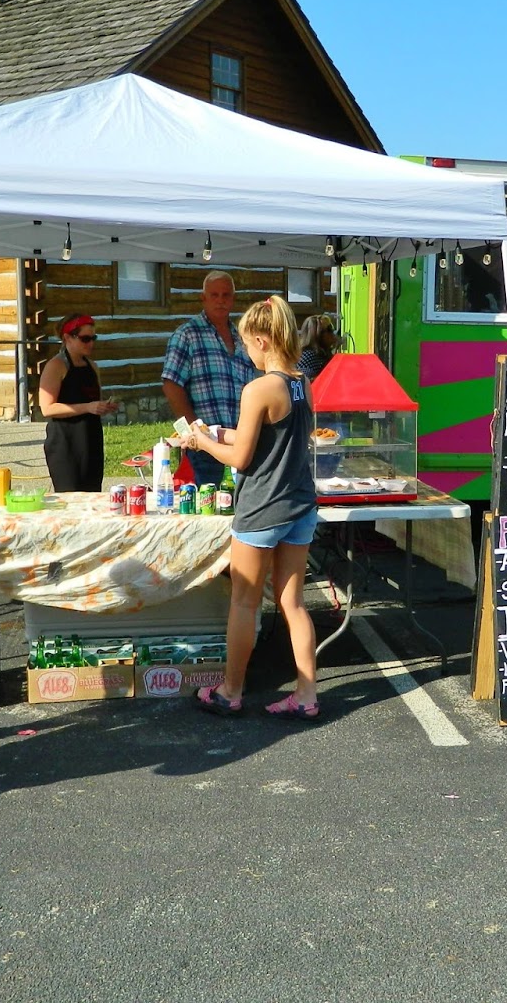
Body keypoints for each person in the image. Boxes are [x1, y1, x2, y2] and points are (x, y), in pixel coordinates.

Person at [183, 296, 321, 721]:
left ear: (262, 340)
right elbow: (270, 441)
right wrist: (226, 434)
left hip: (262, 508)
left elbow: (242, 460)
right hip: (300, 504)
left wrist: (201, 440)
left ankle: (230, 691)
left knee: (244, 602)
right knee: (293, 603)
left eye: (246, 344)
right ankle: (306, 695)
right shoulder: (302, 381)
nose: (245, 351)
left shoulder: (259, 388)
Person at [161, 271, 256, 486]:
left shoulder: (242, 337)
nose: (220, 301)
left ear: (233, 299)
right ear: (203, 298)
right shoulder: (187, 335)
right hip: (207, 444)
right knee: (210, 508)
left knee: (239, 507)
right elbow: (171, 385)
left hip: (240, 441)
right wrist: (193, 429)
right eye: (214, 295)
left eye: (226, 295)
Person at [38, 314, 117, 493]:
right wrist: (87, 407)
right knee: (70, 497)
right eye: (85, 339)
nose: (91, 344)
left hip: (90, 439)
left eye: (93, 338)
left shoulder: (92, 366)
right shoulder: (56, 366)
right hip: (65, 443)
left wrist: (104, 406)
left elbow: (92, 401)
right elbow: (47, 408)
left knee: (93, 495)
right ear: (67, 338)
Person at [296, 314, 340, 381]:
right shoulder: (308, 356)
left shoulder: (324, 354)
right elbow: (304, 382)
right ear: (317, 334)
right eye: (329, 329)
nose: (332, 332)